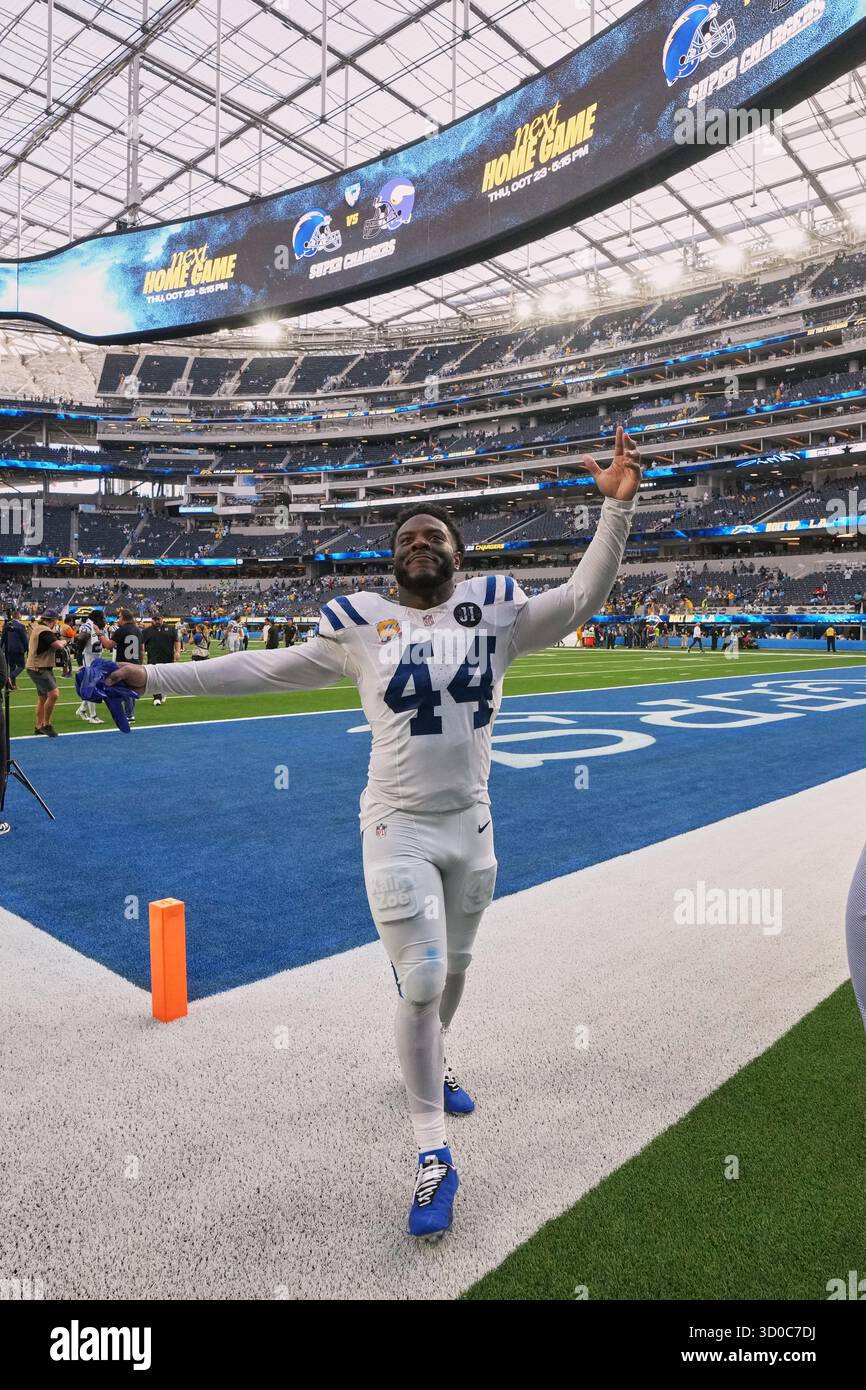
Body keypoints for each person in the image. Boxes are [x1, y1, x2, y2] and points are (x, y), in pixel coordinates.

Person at [109, 426, 642, 1242]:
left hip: (474, 825)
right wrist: (153, 676)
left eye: (434, 535)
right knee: (425, 976)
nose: (419, 542)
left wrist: (616, 511)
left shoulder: (495, 614)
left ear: (457, 557)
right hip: (394, 827)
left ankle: (432, 1057)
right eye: (406, 537)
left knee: (452, 973)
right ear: (392, 560)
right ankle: (434, 1153)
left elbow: (581, 598)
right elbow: (258, 669)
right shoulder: (359, 625)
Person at [25, 609, 67, 737]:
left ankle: (39, 726)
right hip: (39, 667)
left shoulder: (38, 628)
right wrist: (65, 640)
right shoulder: (44, 631)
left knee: (43, 698)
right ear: (52, 621)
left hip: (38, 666)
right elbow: (57, 645)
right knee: (54, 694)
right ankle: (46, 725)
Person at [75, 611, 113, 724]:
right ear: (96, 619)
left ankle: (82, 709)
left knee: (97, 686)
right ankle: (93, 716)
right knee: (91, 686)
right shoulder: (86, 627)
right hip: (87, 658)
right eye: (103, 618)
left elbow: (105, 644)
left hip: (97, 659)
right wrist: (80, 664)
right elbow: (79, 646)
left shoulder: (102, 628)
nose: (105, 620)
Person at [108, 609, 144, 724]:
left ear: (123, 618)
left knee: (124, 688)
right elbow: (142, 649)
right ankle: (129, 713)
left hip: (124, 663)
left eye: (119, 617)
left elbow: (109, 645)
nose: (118, 619)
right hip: (135, 661)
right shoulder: (138, 630)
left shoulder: (121, 630)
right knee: (130, 688)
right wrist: (140, 663)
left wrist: (99, 634)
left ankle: (129, 714)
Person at [142, 615, 179, 707]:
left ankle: (163, 691)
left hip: (168, 657)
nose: (157, 621)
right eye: (155, 619)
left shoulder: (171, 629)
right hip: (153, 657)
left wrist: (177, 651)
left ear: (162, 619)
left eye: (158, 619)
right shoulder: (146, 631)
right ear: (152, 620)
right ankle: (156, 697)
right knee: (154, 678)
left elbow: (176, 641)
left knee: (166, 677)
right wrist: (141, 655)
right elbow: (142, 644)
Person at [2, 611, 28, 688]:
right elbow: (24, 640)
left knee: (12, 667)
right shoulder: (21, 626)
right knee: (21, 666)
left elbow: (3, 638)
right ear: (18, 616)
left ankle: (13, 685)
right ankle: (11, 677)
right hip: (18, 649)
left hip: (9, 649)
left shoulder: (7, 625)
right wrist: (26, 649)